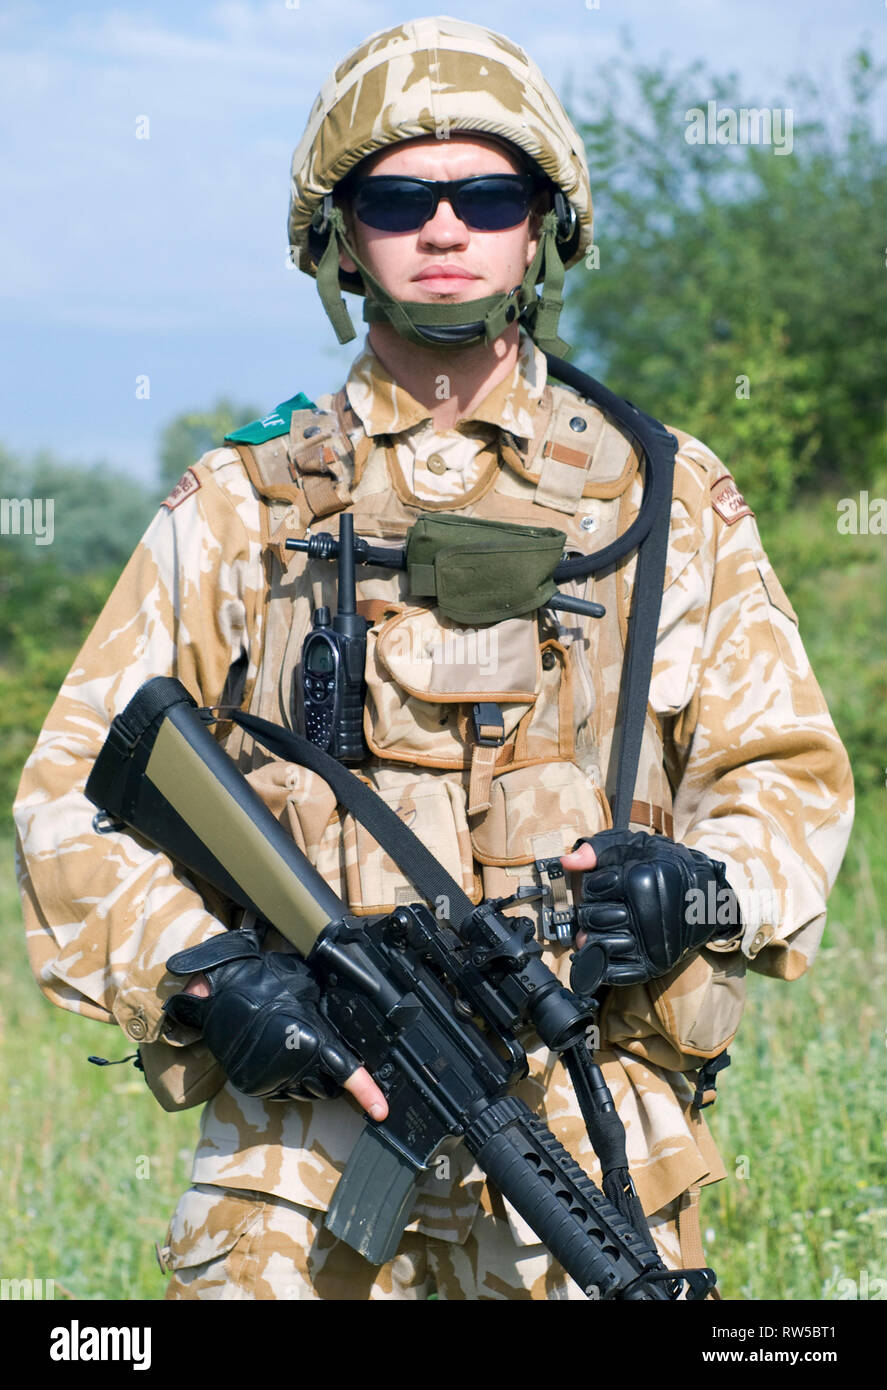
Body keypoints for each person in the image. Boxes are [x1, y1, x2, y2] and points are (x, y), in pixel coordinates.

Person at [14, 16, 853, 1301]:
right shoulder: (242, 503)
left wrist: (693, 887)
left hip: (586, 1143)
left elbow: (783, 777)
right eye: (400, 198)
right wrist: (209, 974)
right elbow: (71, 793)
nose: (446, 229)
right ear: (340, 235)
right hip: (307, 1155)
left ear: (542, 224)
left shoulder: (665, 496)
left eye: (488, 195)